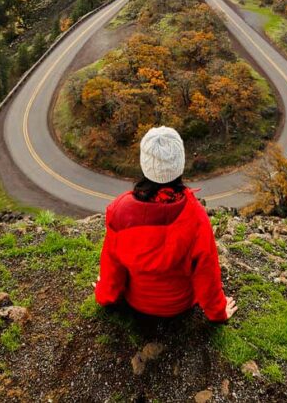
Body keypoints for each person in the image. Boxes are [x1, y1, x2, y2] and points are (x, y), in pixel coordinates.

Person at [93, 125, 238, 322]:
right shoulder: (195, 216)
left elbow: (112, 264)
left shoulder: (119, 211)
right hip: (181, 304)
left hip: (137, 302)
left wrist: (104, 295)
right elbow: (207, 274)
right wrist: (219, 313)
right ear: (180, 164)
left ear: (145, 164)